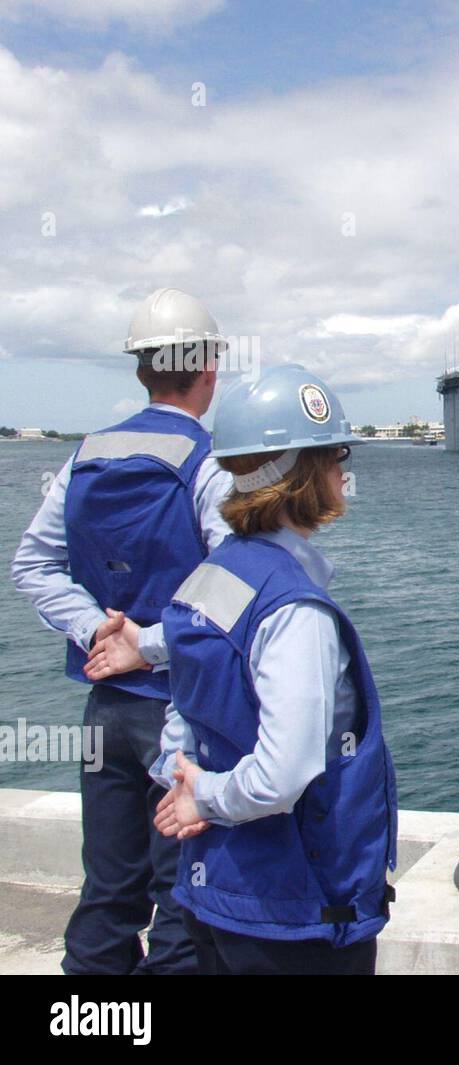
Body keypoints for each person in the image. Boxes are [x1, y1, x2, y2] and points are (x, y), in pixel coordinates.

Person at [10, 288, 234, 975]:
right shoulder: (209, 462)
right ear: (209, 370)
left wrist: (96, 632)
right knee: (181, 895)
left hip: (103, 709)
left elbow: (32, 563)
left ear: (140, 370)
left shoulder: (84, 455)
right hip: (180, 709)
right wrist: (146, 642)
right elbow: (231, 588)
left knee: (108, 888)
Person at [151, 364, 397, 975]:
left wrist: (182, 782)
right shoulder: (294, 608)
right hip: (295, 918)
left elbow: (180, 717)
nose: (345, 469)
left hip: (214, 898)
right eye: (335, 453)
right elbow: (283, 774)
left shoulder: (209, 577)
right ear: (298, 472)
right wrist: (203, 796)